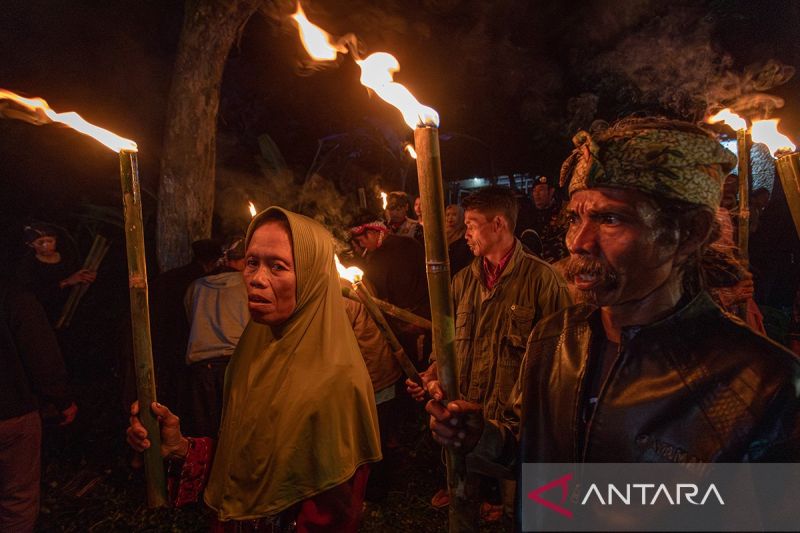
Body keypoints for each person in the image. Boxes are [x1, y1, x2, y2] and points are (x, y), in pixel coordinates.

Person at [427, 118, 800, 522]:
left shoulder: (760, 385)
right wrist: (485, 438)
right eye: (575, 219)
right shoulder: (554, 339)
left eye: (611, 219)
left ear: (687, 233)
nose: (578, 242)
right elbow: (543, 467)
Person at [128, 207, 381, 532]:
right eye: (251, 262)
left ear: (314, 278)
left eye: (278, 266)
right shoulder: (250, 354)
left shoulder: (337, 381)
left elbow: (331, 511)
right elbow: (243, 460)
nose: (257, 279)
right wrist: (180, 447)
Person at [409, 185, 571, 521]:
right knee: (464, 507)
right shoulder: (461, 282)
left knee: (520, 513)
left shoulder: (543, 280)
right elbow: (448, 344)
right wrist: (434, 374)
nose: (464, 233)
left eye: (471, 224)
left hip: (516, 430)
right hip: (468, 423)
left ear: (498, 224)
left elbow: (560, 360)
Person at [1, 278, 76, 532]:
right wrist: (62, 398)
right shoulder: (13, 297)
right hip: (12, 413)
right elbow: (40, 353)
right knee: (17, 499)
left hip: (12, 412)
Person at [182, 237, 249, 437]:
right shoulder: (248, 286)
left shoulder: (195, 287)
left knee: (205, 432)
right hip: (236, 365)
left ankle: (208, 468)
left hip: (201, 368)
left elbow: (190, 318)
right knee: (235, 431)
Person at [147, 239, 222, 417]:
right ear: (212, 261)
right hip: (187, 340)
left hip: (166, 340)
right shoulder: (204, 283)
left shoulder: (170, 277)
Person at [349, 211, 430, 363]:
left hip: (413, 321)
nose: (361, 245)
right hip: (409, 320)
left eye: (361, 240)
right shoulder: (379, 253)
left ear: (373, 232)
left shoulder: (402, 248)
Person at [16, 223, 96, 326]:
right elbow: (35, 295)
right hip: (48, 314)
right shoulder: (29, 265)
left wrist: (87, 276)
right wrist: (67, 282)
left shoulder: (67, 256)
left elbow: (78, 273)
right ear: (31, 244)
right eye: (40, 242)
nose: (46, 245)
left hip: (73, 308)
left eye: (50, 241)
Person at [520, 175, 568, 263]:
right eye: (534, 191)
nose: (537, 194)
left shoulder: (564, 212)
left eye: (541, 190)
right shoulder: (529, 215)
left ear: (551, 192)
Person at [445, 204, 472, 278]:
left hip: (460, 276)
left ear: (461, 216)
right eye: (447, 215)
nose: (450, 217)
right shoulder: (442, 234)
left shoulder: (465, 235)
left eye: (454, 215)